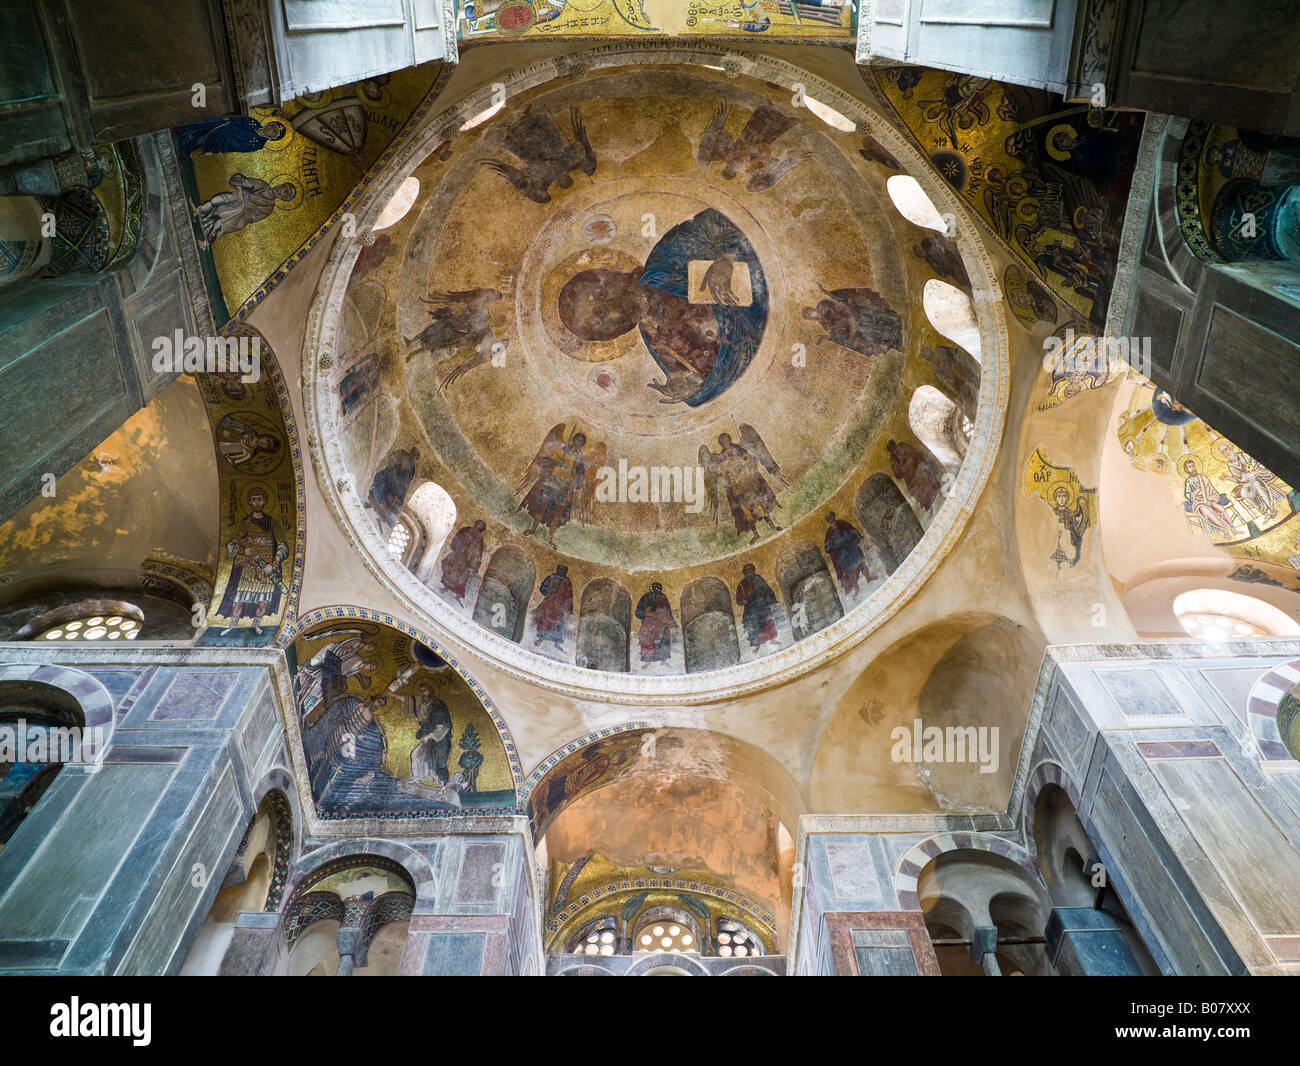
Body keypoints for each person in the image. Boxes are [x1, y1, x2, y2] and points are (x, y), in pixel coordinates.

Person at [217, 487, 289, 635]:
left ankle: (256, 625)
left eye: (260, 499)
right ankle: (232, 625)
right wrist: (243, 550)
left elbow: (282, 545)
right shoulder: (245, 523)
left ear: (265, 501)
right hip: (248, 569)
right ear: (250, 502)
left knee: (262, 603)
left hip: (265, 569)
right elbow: (233, 543)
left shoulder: (272, 523)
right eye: (254, 499)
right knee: (238, 601)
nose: (257, 502)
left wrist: (275, 562)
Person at [193, 174, 296, 250]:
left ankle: (206, 243)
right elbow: (238, 178)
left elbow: (252, 218)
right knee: (218, 200)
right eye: (283, 186)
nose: (281, 189)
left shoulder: (268, 208)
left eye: (285, 191)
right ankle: (200, 210)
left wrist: (245, 209)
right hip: (238, 199)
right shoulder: (262, 184)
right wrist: (240, 192)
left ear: (283, 198)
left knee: (219, 224)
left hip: (241, 216)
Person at [1182, 459, 1237, 537]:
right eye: (1190, 467)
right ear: (1186, 470)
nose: (1193, 468)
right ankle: (1224, 529)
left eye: (1193, 466)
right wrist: (1196, 492)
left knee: (1220, 509)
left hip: (1209, 499)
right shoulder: (1188, 481)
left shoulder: (1202, 477)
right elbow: (1187, 495)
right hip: (1199, 502)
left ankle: (1233, 528)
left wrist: (1215, 495)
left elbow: (1211, 488)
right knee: (1206, 512)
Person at [823, 511, 871, 595]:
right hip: (842, 553)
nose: (831, 519)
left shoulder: (842, 523)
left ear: (834, 516)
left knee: (861, 562)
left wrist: (858, 536)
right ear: (827, 521)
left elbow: (851, 529)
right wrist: (831, 544)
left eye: (831, 517)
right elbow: (827, 548)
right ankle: (856, 590)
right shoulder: (828, 533)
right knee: (850, 571)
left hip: (852, 547)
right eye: (828, 518)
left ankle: (868, 578)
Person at [440, 520, 486, 602]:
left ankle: (453, 592)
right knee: (452, 570)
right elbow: (477, 552)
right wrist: (475, 564)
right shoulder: (471, 532)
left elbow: (477, 550)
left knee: (459, 575)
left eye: (480, 525)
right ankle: (447, 588)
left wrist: (472, 562)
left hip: (463, 558)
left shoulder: (471, 532)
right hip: (462, 557)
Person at [736, 563, 778, 648]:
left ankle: (773, 640)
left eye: (750, 569)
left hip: (763, 603)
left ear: (753, 570)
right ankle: (757, 645)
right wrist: (743, 601)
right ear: (744, 573)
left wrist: (771, 600)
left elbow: (767, 590)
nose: (749, 572)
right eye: (746, 570)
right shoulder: (741, 584)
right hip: (750, 607)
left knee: (768, 619)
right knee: (751, 621)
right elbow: (738, 600)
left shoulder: (758, 579)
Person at [635, 582, 677, 663]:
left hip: (662, 622)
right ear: (651, 588)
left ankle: (663, 659)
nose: (656, 590)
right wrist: (647, 613)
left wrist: (672, 622)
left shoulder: (663, 597)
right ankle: (648, 659)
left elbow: (668, 611)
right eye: (654, 588)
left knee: (664, 635)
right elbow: (638, 612)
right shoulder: (646, 597)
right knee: (646, 634)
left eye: (658, 588)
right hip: (649, 622)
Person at [532, 564, 572, 647]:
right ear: (557, 569)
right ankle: (541, 638)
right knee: (545, 619)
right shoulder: (551, 577)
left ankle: (557, 642)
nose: (562, 571)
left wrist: (568, 607)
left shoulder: (567, 581)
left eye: (564, 570)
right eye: (560, 569)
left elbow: (569, 595)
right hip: (549, 602)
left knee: (559, 622)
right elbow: (542, 588)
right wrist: (550, 591)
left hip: (560, 606)